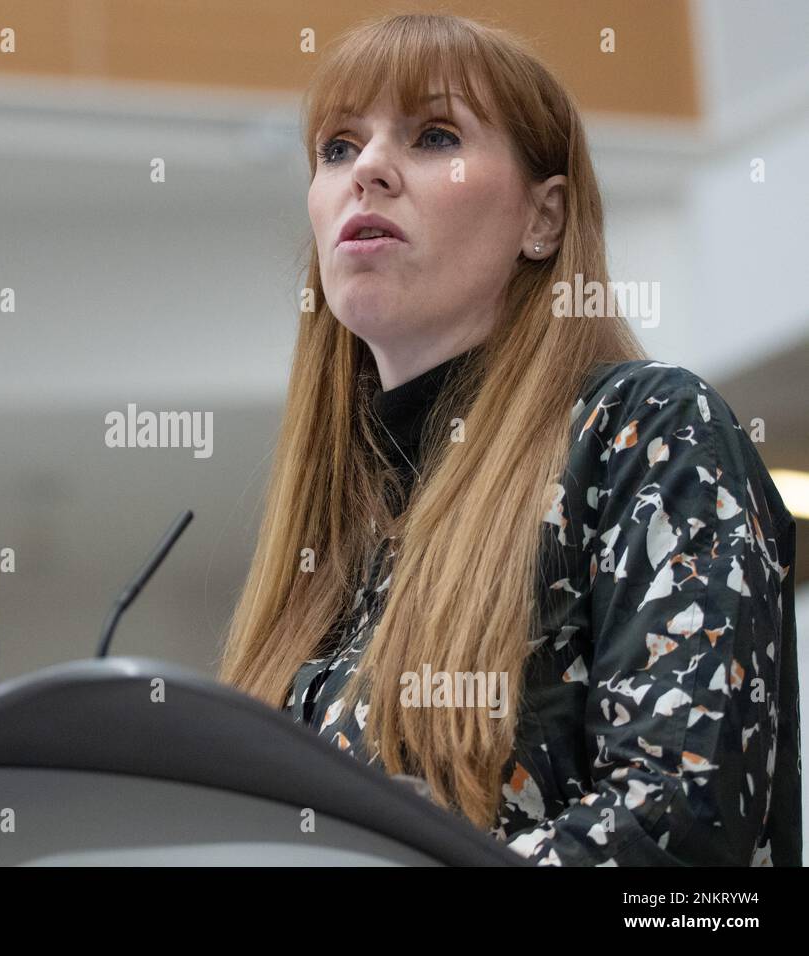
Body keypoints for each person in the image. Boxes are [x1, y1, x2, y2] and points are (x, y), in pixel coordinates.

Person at [216, 12, 800, 866]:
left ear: (544, 219)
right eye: (337, 148)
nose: (367, 169)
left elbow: (680, 824)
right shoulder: (339, 540)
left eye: (434, 136)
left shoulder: (646, 434)